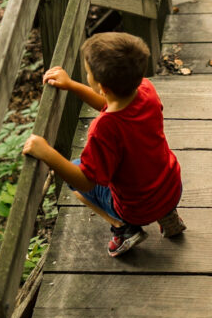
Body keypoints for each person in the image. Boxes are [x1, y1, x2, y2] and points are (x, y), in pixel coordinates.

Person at [22, 31, 185, 257]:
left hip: (135, 209)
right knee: (147, 175)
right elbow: (110, 103)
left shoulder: (104, 129)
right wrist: (72, 85)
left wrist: (47, 153)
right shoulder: (146, 89)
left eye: (87, 74)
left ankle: (124, 228)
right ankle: (168, 217)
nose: (86, 76)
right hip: (172, 187)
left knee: (75, 177)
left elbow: (86, 181)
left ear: (102, 86)